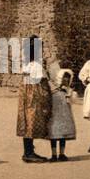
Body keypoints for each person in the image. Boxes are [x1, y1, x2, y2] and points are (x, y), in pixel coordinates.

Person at [15, 35, 52, 163]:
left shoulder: (26, 65)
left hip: (26, 98)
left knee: (27, 122)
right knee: (32, 122)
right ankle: (29, 153)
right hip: (35, 98)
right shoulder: (36, 66)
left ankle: (28, 150)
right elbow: (43, 86)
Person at [48, 67, 77, 161]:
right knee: (54, 134)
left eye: (68, 78)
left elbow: (72, 101)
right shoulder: (53, 91)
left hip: (65, 116)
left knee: (63, 135)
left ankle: (62, 153)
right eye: (64, 77)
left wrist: (69, 94)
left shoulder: (70, 91)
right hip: (55, 115)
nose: (66, 80)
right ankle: (53, 154)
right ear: (60, 78)